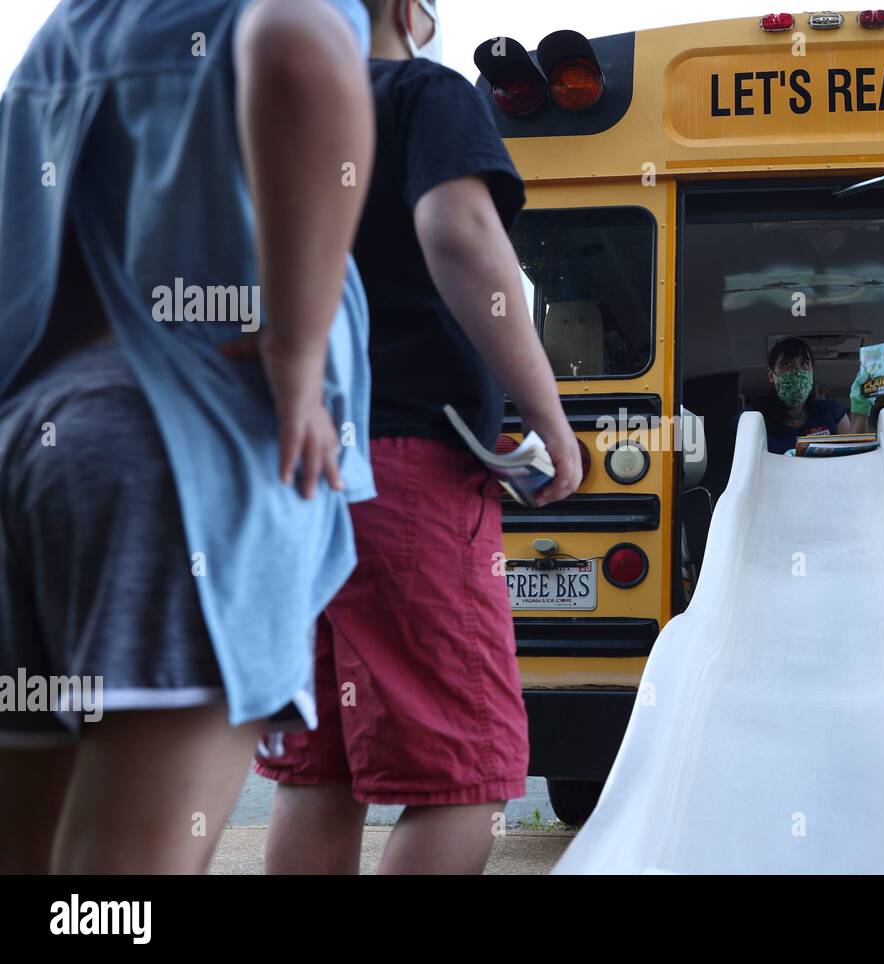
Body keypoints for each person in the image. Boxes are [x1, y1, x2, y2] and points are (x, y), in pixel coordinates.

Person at [0, 0, 378, 874]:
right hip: (180, 455)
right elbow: (294, 49)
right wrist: (296, 342)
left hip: (32, 444)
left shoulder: (76, 25)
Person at [254, 0, 582, 875]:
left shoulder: (265, 119)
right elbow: (460, 234)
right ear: (409, 9)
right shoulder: (423, 93)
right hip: (405, 472)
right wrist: (547, 415)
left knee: (316, 774)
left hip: (287, 478)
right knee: (463, 778)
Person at [756, 337, 874, 455]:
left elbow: (856, 455)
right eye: (787, 363)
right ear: (771, 375)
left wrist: (860, 408)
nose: (797, 370)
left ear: (811, 373)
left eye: (804, 363)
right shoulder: (756, 419)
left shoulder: (830, 411)